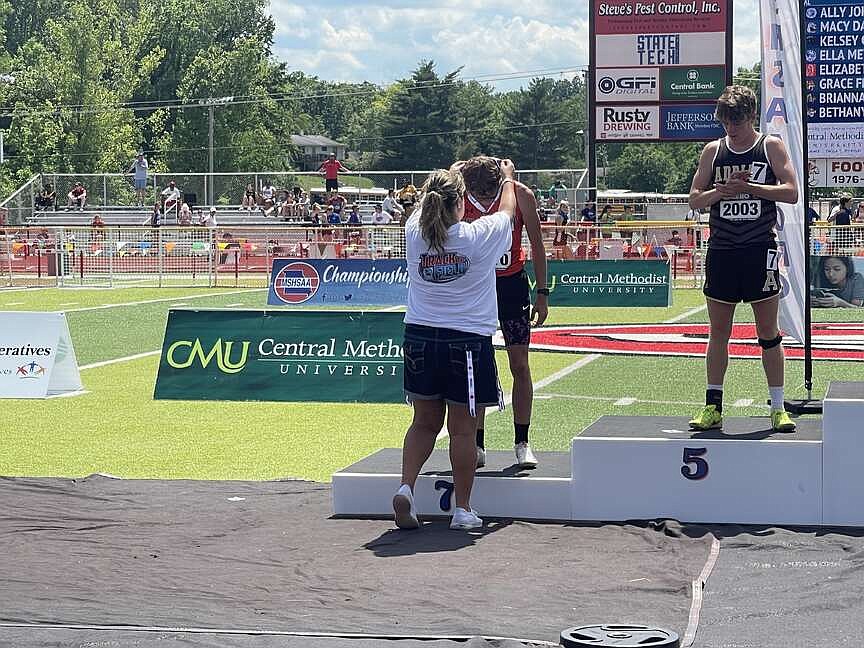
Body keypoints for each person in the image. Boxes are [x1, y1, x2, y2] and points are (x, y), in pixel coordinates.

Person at [393, 161, 517, 531]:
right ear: (461, 201)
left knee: (423, 423)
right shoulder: (477, 235)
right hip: (465, 341)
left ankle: (405, 487)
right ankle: (462, 509)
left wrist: (451, 171)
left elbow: (430, 205)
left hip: (418, 335)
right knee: (463, 429)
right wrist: (508, 178)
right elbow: (508, 211)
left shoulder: (414, 230)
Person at [687, 85, 798, 433]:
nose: (730, 128)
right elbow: (694, 199)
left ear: (750, 116)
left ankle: (778, 407)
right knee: (718, 332)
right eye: (725, 120)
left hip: (758, 249)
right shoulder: (713, 151)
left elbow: (792, 191)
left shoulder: (770, 146)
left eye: (736, 120)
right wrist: (721, 191)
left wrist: (750, 188)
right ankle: (713, 405)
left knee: (769, 333)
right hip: (722, 250)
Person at [456, 155, 549, 469]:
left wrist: (542, 292)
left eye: (488, 192)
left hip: (511, 286)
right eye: (477, 193)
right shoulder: (459, 194)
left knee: (519, 364)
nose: (482, 198)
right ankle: (477, 443)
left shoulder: (519, 194)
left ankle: (522, 441)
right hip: (475, 290)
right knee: (477, 365)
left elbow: (537, 243)